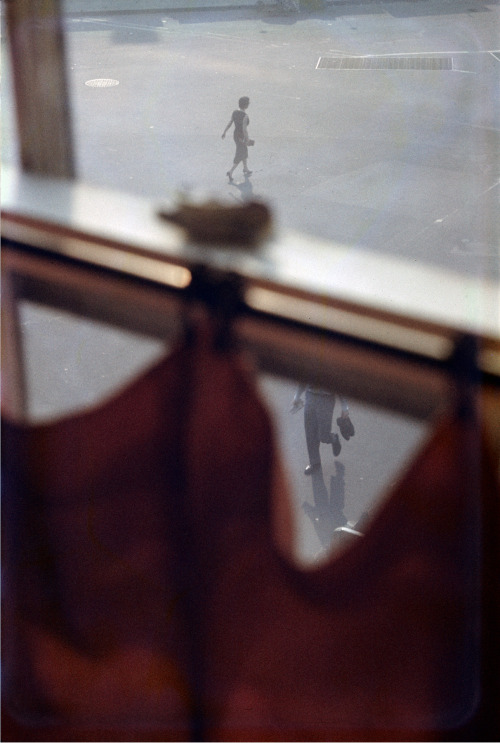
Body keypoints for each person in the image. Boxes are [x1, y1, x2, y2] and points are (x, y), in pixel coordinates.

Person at [291, 383, 354, 475]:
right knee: (310, 432)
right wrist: (297, 396)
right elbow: (303, 378)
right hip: (310, 395)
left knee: (323, 435)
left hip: (326, 399)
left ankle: (334, 438)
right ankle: (315, 463)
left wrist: (345, 407)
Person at [222, 96, 252, 181]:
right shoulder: (245, 116)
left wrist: (224, 132)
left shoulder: (234, 112)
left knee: (244, 150)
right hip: (241, 136)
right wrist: (247, 139)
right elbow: (244, 130)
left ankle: (245, 168)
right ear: (246, 105)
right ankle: (230, 171)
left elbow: (230, 122)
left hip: (235, 135)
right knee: (240, 153)